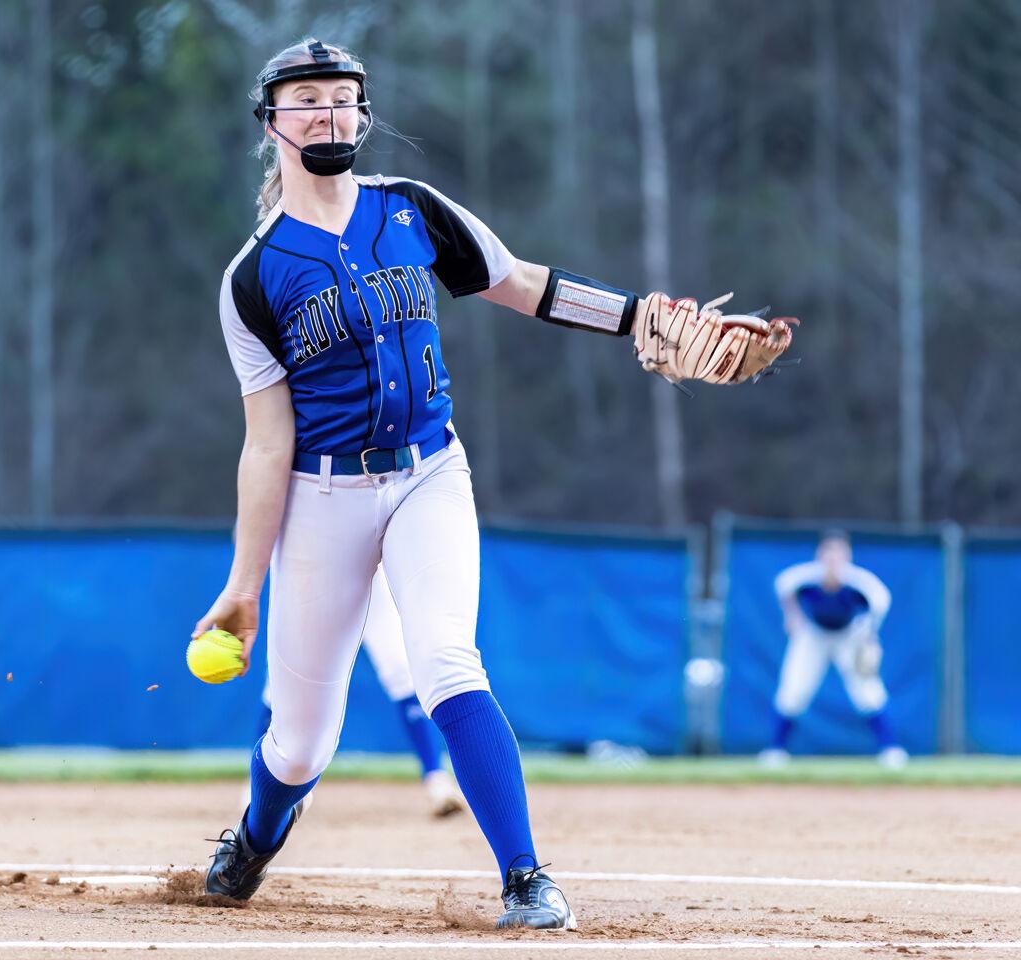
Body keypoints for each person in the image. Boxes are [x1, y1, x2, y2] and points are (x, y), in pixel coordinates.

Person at [195, 37, 792, 930]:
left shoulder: (411, 211)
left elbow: (524, 284)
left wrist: (641, 317)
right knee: (300, 738)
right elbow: (265, 446)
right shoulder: (254, 279)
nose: (331, 112)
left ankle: (524, 877)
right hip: (323, 499)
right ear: (271, 122)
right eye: (309, 98)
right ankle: (254, 835)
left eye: (346, 97)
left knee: (445, 660)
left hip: (430, 474)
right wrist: (244, 587)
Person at [247, 565, 464, 818]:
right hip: (310, 577)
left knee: (401, 671)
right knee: (280, 686)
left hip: (371, 576)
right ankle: (259, 787)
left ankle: (436, 778)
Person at [757, 532, 908, 770]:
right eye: (829, 552)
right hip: (813, 635)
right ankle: (776, 750)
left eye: (839, 553)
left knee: (868, 692)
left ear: (848, 557)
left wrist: (869, 634)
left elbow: (880, 601)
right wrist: (793, 617)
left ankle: (889, 749)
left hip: (849, 635)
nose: (833, 559)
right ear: (820, 555)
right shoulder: (806, 576)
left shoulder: (858, 582)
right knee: (793, 691)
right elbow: (783, 586)